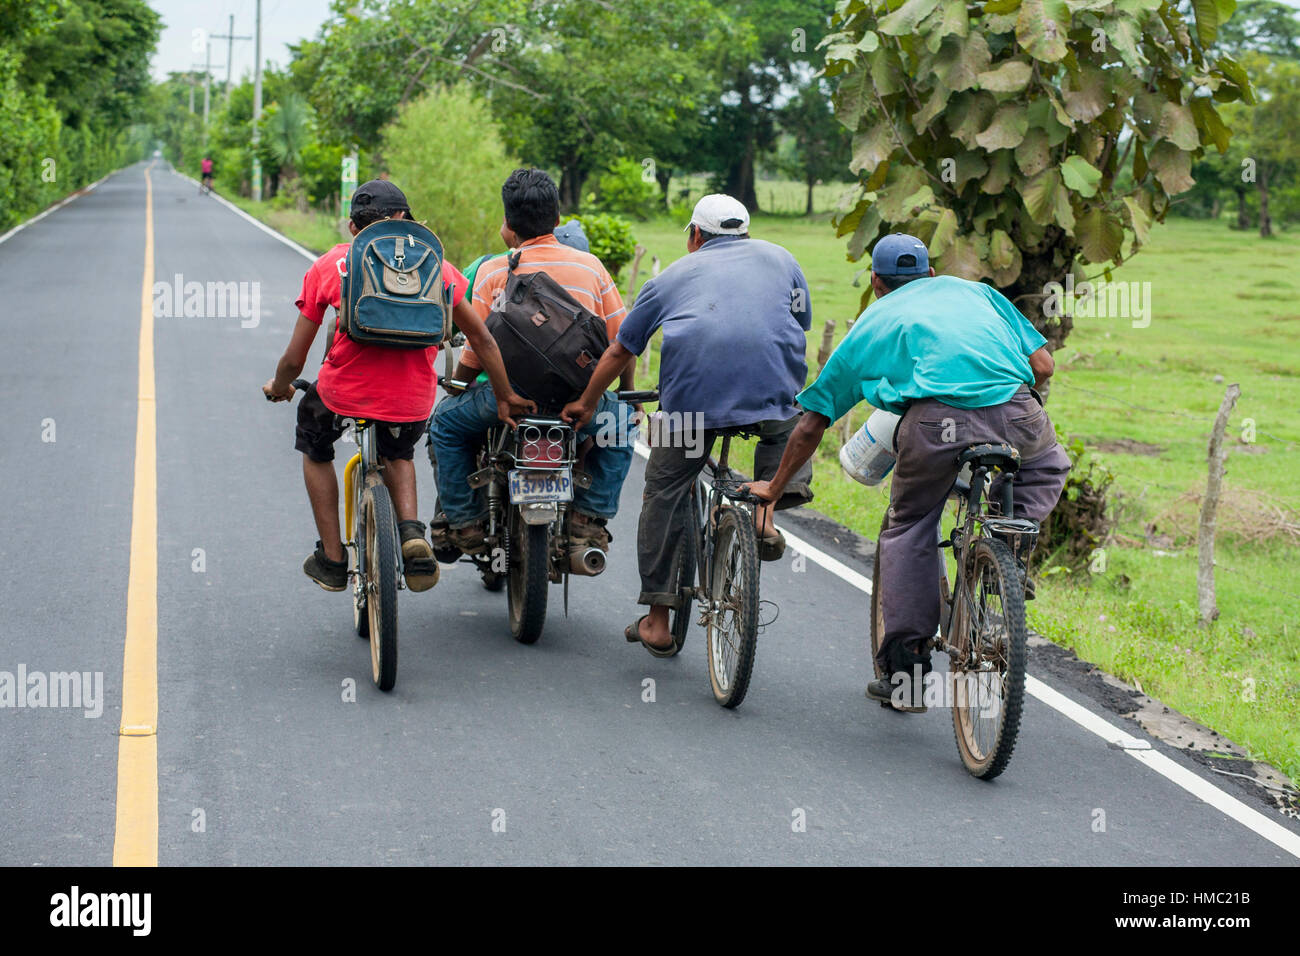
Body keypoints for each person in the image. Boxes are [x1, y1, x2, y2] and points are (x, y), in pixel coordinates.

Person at [745, 233, 1071, 708]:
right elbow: (1043, 365)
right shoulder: (977, 292)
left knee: (911, 526)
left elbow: (813, 420)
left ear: (876, 283)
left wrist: (774, 488)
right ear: (932, 274)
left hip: (935, 425)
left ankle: (909, 674)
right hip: (1017, 411)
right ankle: (1009, 544)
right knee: (1046, 465)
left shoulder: (874, 321)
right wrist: (1024, 401)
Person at [562, 194, 815, 657]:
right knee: (789, 423)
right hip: (773, 392)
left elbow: (622, 349)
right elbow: (800, 322)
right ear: (745, 233)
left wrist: (586, 403)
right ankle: (764, 512)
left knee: (663, 491)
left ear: (695, 236)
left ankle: (658, 622)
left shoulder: (669, 278)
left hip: (690, 409)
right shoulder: (783, 259)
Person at [263, 179, 533, 593]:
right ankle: (410, 533)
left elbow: (295, 359)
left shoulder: (330, 265)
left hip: (343, 393)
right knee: (399, 451)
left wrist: (280, 385)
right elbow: (482, 339)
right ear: (405, 220)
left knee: (314, 442)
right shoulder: (437, 266)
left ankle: (333, 558)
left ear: (353, 228)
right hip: (410, 400)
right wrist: (504, 396)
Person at [428, 169, 637, 557]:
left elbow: (477, 348)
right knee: (622, 427)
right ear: (558, 220)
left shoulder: (493, 270)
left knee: (444, 424)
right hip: (576, 403)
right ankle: (587, 523)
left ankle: (465, 522)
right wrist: (619, 396)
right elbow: (621, 344)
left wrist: (458, 385)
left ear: (507, 223)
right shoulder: (592, 268)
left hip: (507, 401)